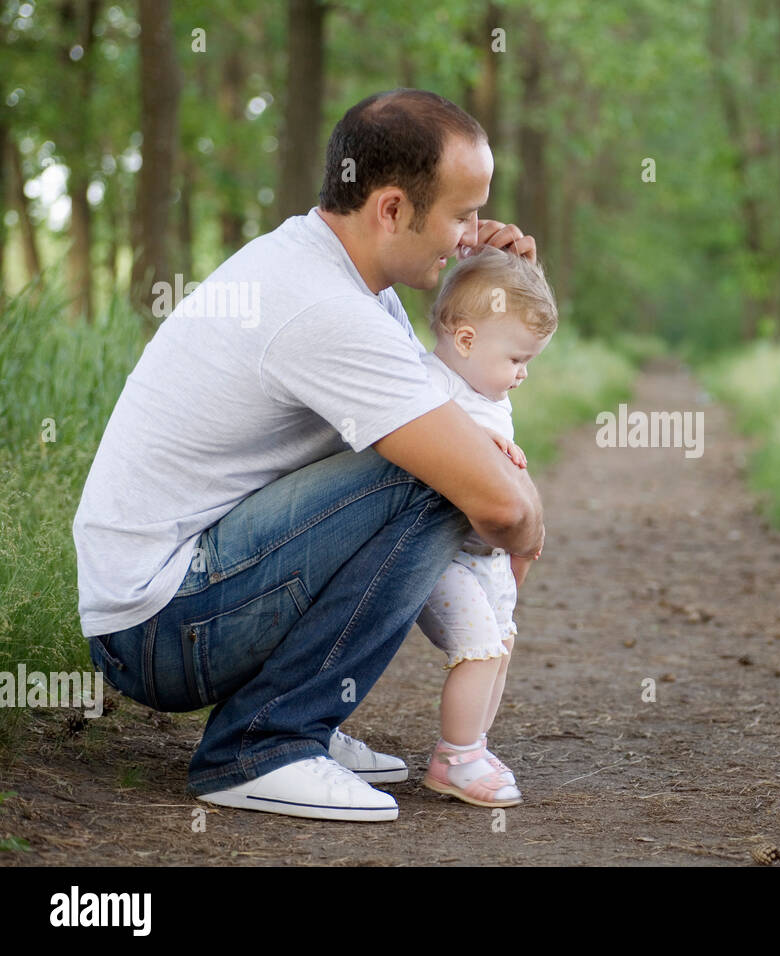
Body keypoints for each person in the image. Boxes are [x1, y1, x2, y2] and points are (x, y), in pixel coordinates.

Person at [72, 89, 544, 823]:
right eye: (461, 214)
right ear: (390, 209)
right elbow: (496, 501)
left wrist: (487, 292)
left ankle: (299, 718)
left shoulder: (337, 270)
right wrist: (531, 528)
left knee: (435, 453)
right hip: (160, 625)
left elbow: (443, 400)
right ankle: (263, 744)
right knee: (431, 478)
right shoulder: (324, 306)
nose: (474, 232)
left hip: (174, 600)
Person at [411, 246, 556, 808]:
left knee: (500, 645)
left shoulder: (489, 390)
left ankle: (475, 743)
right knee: (476, 649)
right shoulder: (431, 383)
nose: (522, 374)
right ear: (466, 340)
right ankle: (454, 756)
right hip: (443, 554)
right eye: (517, 359)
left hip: (488, 556)